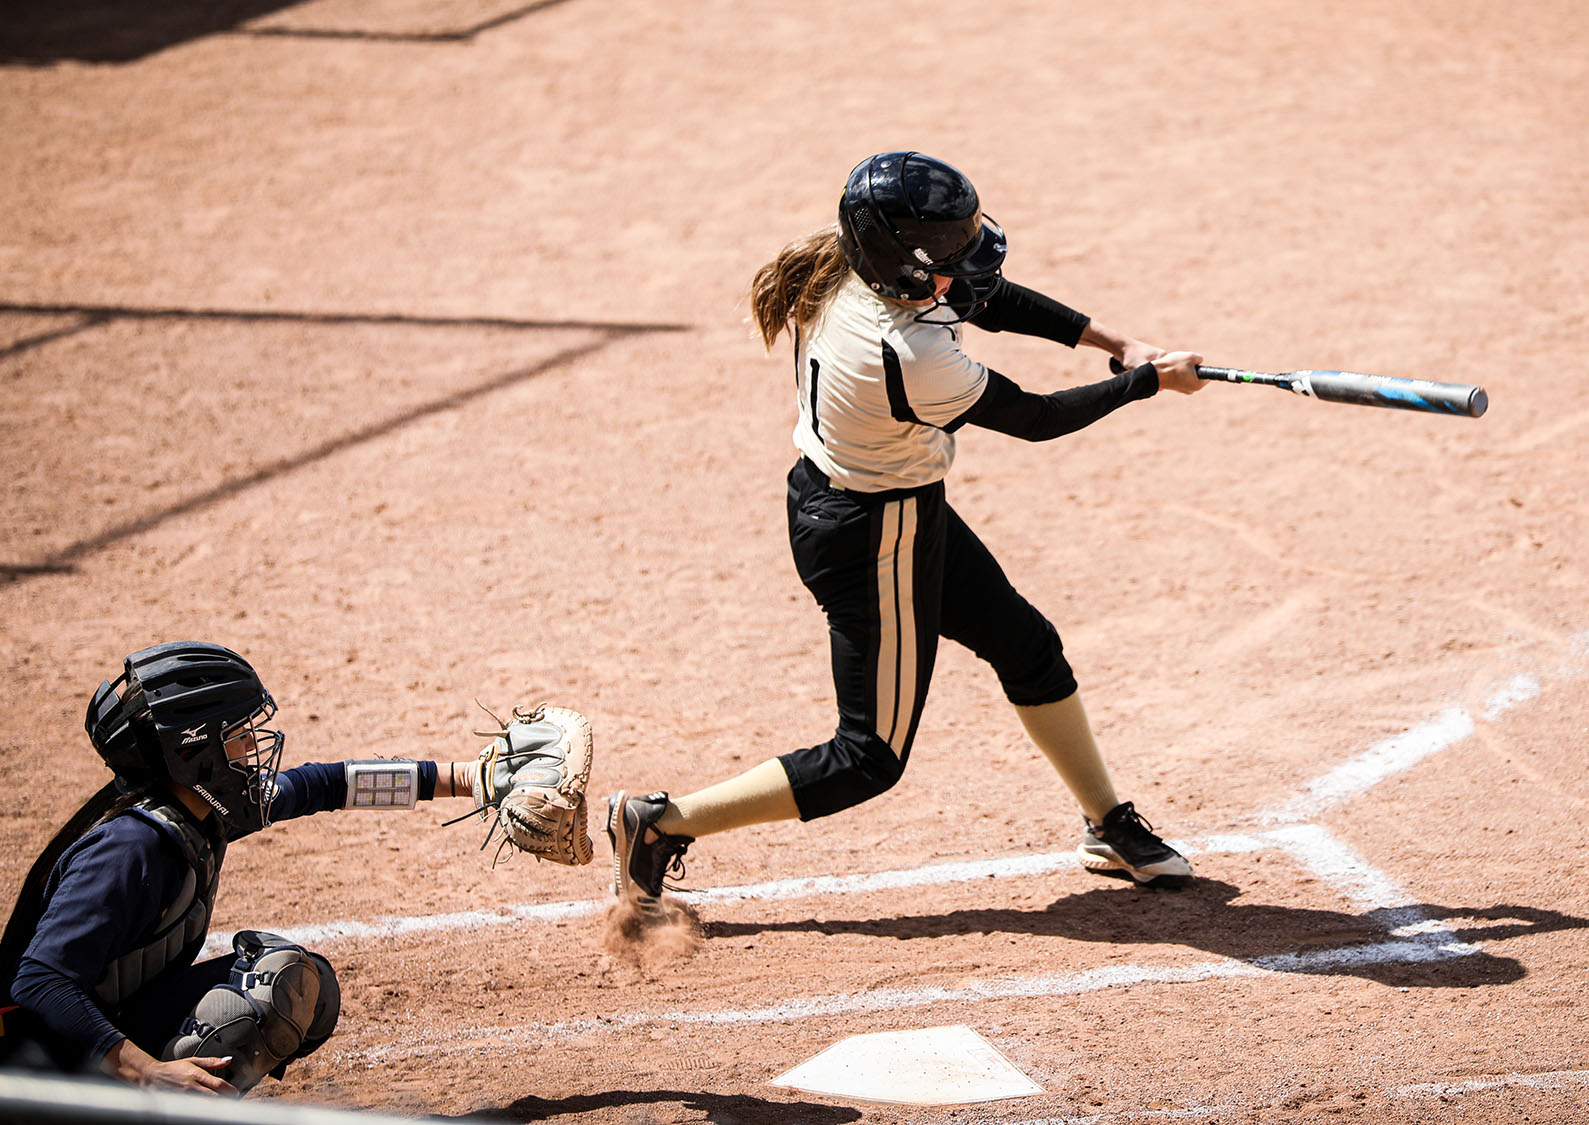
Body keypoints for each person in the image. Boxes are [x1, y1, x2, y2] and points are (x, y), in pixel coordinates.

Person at [605, 151, 1207, 906]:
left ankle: (1106, 822)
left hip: (890, 505)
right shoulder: (907, 353)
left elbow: (986, 297)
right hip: (870, 535)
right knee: (869, 756)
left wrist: (1113, 341)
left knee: (1027, 645)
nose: (965, 263)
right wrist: (1145, 383)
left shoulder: (851, 259)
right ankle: (660, 823)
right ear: (906, 262)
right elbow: (1035, 418)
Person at [0, 641, 513, 1095]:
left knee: (302, 983)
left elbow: (325, 785)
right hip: (38, 1072)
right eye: (237, 734)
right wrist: (147, 1071)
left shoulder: (196, 808)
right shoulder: (130, 848)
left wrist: (472, 777)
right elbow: (40, 983)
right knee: (268, 986)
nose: (253, 745)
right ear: (194, 753)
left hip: (99, 1030)